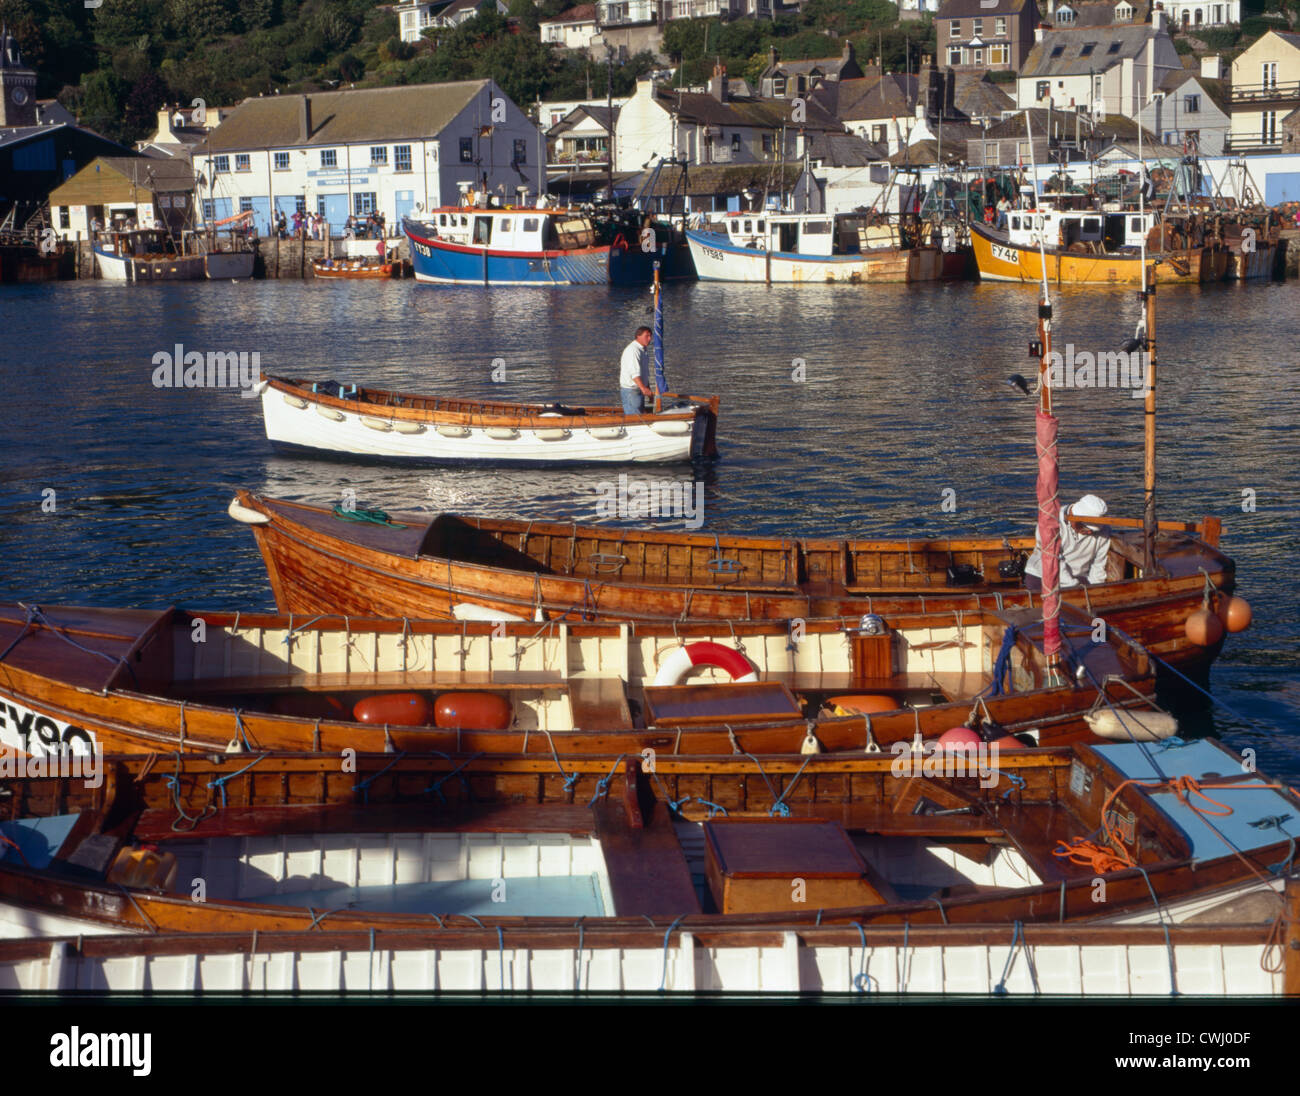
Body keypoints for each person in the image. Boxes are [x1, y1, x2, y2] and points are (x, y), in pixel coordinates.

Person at [1023, 494, 1111, 591]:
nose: (1090, 532)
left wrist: (1096, 589)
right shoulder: (1050, 522)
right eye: (1087, 528)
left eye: (1094, 530)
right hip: (1041, 575)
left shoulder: (1104, 530)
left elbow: (1099, 564)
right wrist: (1073, 588)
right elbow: (1053, 560)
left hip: (1079, 577)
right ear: (1074, 517)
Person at [619, 326, 654, 414]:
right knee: (635, 418)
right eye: (647, 336)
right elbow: (634, 374)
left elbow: (644, 373)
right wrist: (643, 388)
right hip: (631, 391)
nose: (649, 339)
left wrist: (647, 389)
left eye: (650, 336)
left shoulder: (643, 350)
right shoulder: (633, 350)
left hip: (639, 389)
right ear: (638, 336)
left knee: (640, 415)